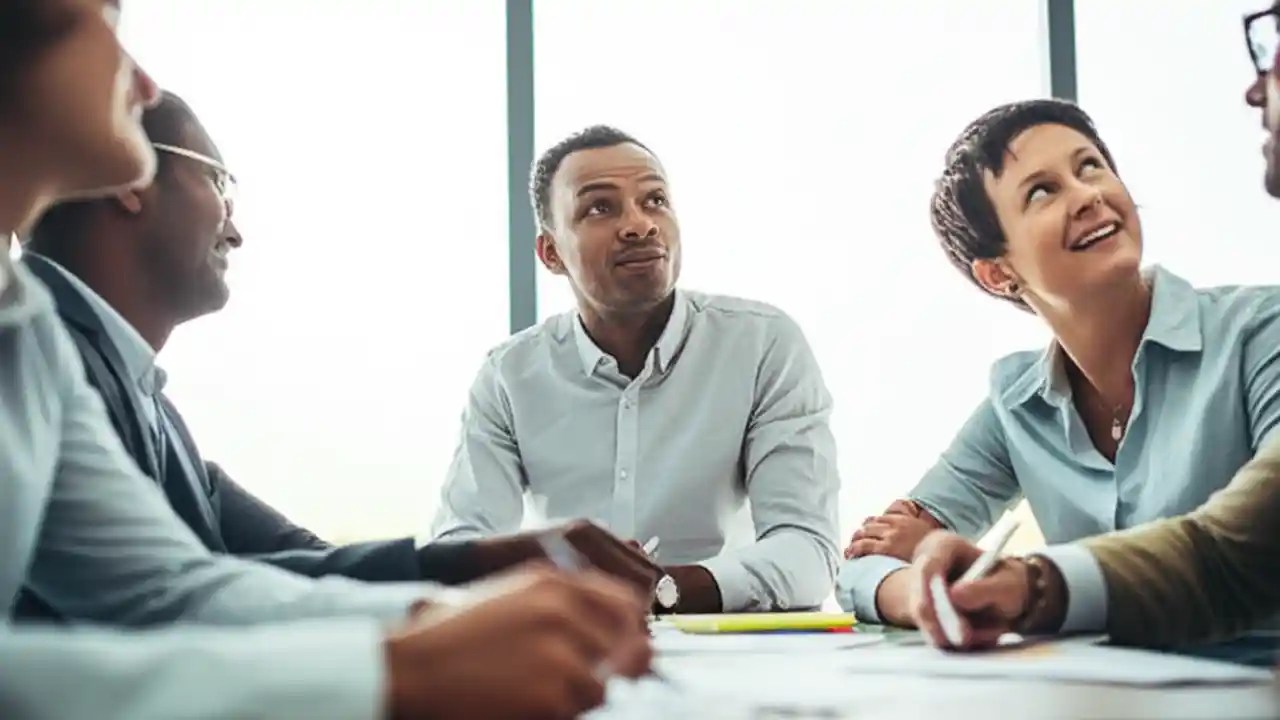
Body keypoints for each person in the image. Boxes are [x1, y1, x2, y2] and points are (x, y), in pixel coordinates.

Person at [0, 1, 649, 718]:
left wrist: (443, 614)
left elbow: (168, 590)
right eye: (108, 22)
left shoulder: (28, 329)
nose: (144, 83)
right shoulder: (61, 340)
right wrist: (392, 671)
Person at [906, 1, 1280, 652]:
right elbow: (872, 557)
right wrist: (928, 587)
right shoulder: (1017, 400)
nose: (1088, 196)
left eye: (1091, 168)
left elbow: (1241, 547)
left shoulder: (1260, 332)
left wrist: (1027, 585)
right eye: (1042, 191)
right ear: (998, 274)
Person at [431, 125, 841, 613]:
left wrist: (658, 590)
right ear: (551, 253)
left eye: (655, 201)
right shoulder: (510, 376)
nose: (639, 224)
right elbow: (459, 552)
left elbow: (808, 553)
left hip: (733, 651)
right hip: (571, 653)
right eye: (600, 208)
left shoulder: (763, 344)